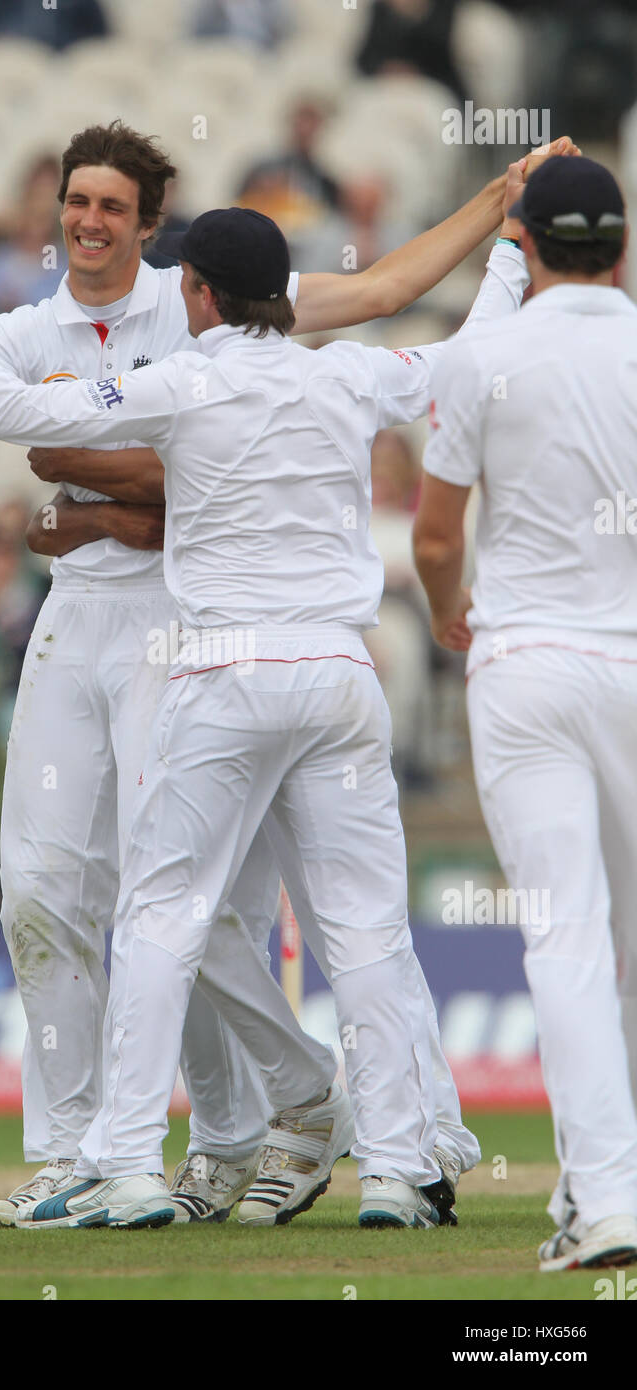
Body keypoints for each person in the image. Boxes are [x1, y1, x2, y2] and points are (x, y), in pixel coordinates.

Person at [0, 122, 573, 1228]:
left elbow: (18, 418)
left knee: (161, 917)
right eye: (76, 201)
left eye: (113, 207)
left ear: (185, 279)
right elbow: (464, 358)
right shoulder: (345, 375)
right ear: (279, 294)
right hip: (332, 670)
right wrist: (510, 253)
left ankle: (135, 1160)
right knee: (357, 927)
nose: (88, 222)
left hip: (216, 662)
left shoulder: (184, 377)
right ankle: (396, 1164)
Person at [412, 155, 637, 1273]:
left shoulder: (482, 354)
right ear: (622, 249)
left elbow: (435, 536)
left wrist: (448, 611)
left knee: (566, 935)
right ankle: (601, 1190)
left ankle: (606, 1201)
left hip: (528, 665)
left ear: (528, 246)